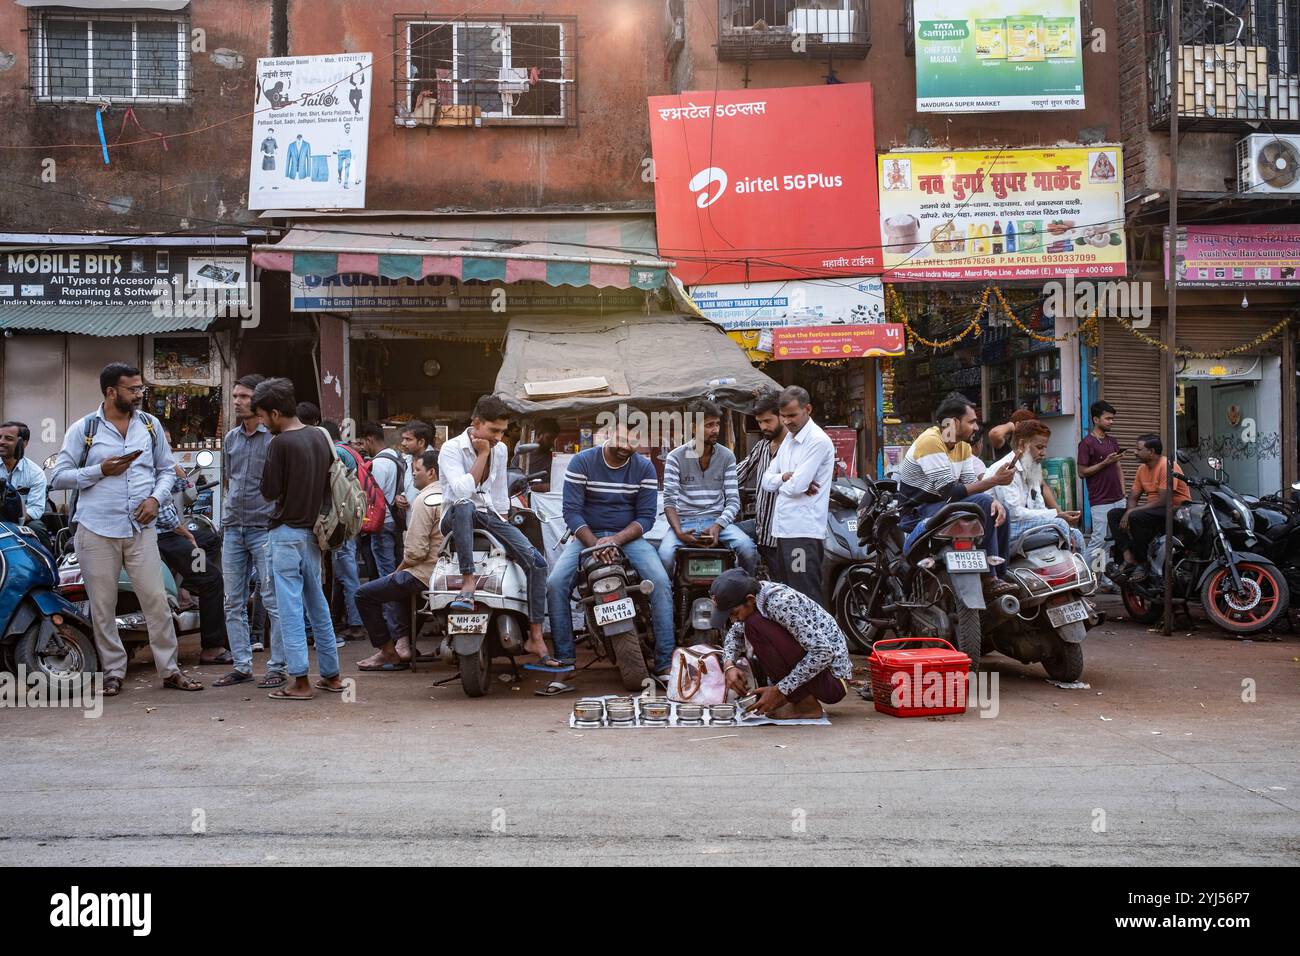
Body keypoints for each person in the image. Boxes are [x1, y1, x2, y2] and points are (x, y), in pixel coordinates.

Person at [49, 363, 202, 696]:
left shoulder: (149, 425)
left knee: (157, 602)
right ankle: (114, 671)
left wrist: (156, 500)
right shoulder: (84, 429)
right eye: (133, 389)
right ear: (110, 392)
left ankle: (170, 670)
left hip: (140, 528)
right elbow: (58, 476)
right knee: (103, 606)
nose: (139, 395)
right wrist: (98, 471)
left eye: (141, 388)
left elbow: (167, 471)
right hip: (96, 529)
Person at [546, 420, 674, 680]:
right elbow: (571, 512)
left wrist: (615, 540)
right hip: (586, 537)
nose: (627, 447)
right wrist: (596, 543)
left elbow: (647, 517)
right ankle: (566, 660)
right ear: (606, 435)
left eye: (633, 442)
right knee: (555, 583)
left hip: (628, 538)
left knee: (660, 582)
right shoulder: (582, 462)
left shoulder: (644, 467)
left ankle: (664, 663)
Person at [438, 395, 550, 664]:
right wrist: (483, 454)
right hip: (455, 517)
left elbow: (498, 496)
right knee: (466, 506)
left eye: (502, 431)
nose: (499, 437)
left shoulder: (500, 450)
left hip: (486, 516)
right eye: (494, 430)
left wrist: (505, 529)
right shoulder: (451, 449)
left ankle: (535, 636)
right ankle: (468, 584)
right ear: (476, 423)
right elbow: (463, 492)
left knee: (537, 563)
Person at [253, 377, 342, 700]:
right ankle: (332, 675)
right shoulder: (320, 437)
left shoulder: (280, 444)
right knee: (317, 604)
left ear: (275, 413)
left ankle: (300, 680)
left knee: (289, 608)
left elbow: (269, 491)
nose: (262, 423)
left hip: (285, 532)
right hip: (313, 533)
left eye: (263, 416)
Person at [896, 395, 1018, 596]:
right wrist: (994, 481)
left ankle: (1000, 576)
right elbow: (950, 492)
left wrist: (994, 500)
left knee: (997, 510)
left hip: (944, 506)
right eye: (971, 422)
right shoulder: (931, 442)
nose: (977, 427)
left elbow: (971, 485)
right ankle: (990, 578)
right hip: (918, 512)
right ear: (953, 423)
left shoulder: (962, 446)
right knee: (986, 504)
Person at [213, 374, 288, 688]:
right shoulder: (231, 438)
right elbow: (230, 480)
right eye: (235, 396)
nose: (237, 402)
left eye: (243, 396)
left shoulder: (274, 438)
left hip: (265, 528)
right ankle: (242, 664)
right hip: (233, 528)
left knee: (272, 600)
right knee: (232, 600)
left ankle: (278, 666)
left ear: (258, 401)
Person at [712, 569, 851, 719]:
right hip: (819, 676)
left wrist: (780, 690)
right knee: (750, 624)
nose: (733, 620)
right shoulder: (757, 600)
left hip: (833, 681)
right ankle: (797, 698)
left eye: (734, 613)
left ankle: (805, 704)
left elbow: (822, 653)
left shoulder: (778, 602)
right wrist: (729, 666)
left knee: (753, 625)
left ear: (750, 599)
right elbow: (735, 633)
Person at [357, 449, 442, 671]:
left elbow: (415, 553)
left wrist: (398, 570)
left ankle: (387, 652)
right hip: (443, 573)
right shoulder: (451, 496)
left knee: (364, 594)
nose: (413, 475)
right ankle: (404, 645)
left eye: (417, 470)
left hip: (425, 574)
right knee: (396, 589)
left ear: (431, 472)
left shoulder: (425, 500)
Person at [659, 400, 757, 576]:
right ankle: (671, 600)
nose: (716, 430)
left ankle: (744, 593)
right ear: (693, 428)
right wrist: (679, 532)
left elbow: (733, 501)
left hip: (717, 521)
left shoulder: (727, 456)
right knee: (665, 556)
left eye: (717, 424)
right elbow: (669, 502)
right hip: (684, 522)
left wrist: (718, 525)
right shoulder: (676, 457)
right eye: (709, 425)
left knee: (747, 549)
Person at [154, 448, 231, 666]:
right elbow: (164, 517)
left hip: (170, 533)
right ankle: (212, 647)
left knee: (210, 539)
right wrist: (186, 534)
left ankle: (186, 585)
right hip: (165, 537)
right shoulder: (148, 466)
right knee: (212, 579)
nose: (167, 449)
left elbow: (185, 487)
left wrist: (175, 468)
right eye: (164, 444)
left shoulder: (162, 466)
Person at [760, 386, 836, 606]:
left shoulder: (817, 441)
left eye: (792, 415)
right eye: (783, 416)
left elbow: (797, 487)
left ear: (808, 409)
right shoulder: (789, 441)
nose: (786, 421)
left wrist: (789, 483)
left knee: (805, 596)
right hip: (784, 531)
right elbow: (766, 480)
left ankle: (815, 641)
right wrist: (785, 478)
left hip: (803, 533)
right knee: (789, 595)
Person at [985, 419, 1085, 552]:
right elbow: (1013, 513)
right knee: (1059, 524)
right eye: (1039, 447)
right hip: (1002, 528)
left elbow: (1039, 506)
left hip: (1022, 525)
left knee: (1075, 533)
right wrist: (1055, 515)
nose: (1044, 453)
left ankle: (1076, 571)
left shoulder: (1031, 468)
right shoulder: (1005, 469)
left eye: (1045, 447)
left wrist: (1055, 515)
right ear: (1022, 444)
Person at [1108, 433, 1191, 584]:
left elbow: (1163, 501)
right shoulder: (1142, 469)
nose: (1135, 452)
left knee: (1136, 517)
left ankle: (1143, 562)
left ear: (1151, 452)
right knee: (1114, 514)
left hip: (1174, 510)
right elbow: (1133, 497)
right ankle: (1128, 556)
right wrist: (1127, 512)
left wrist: (1132, 512)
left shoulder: (1167, 466)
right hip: (1153, 510)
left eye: (1138, 449)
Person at [359, 422, 409, 656]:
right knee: (397, 577)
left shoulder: (378, 464)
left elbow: (370, 498)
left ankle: (397, 636)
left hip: (381, 525)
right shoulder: (400, 460)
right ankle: (402, 635)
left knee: (386, 580)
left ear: (370, 440)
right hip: (397, 525)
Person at [322, 420, 366, 641]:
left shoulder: (336, 452)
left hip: (342, 521)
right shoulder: (350, 450)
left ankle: (356, 623)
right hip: (352, 518)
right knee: (343, 574)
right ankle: (343, 618)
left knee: (347, 574)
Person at [734, 389, 785, 573]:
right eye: (760, 422)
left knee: (785, 587)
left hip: (781, 536)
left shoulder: (794, 447)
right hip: (759, 527)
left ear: (782, 416)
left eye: (767, 421)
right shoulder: (763, 445)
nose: (763, 427)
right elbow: (740, 472)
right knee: (724, 535)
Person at [1078, 400, 1126, 592]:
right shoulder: (1086, 443)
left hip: (1118, 498)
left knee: (1111, 541)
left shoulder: (1112, 441)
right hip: (1099, 499)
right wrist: (1105, 463)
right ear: (1096, 419)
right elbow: (1082, 472)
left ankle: (1102, 579)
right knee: (1098, 540)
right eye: (1107, 418)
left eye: (1112, 419)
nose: (1111, 422)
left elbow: (1118, 467)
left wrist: (1123, 491)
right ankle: (1080, 575)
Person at [0, 420, 50, 549]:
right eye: (0, 437)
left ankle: (46, 565)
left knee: (37, 528)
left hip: (21, 521)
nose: (1, 441)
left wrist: (14, 517)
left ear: (24, 443)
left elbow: (36, 508)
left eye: (8, 438)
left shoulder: (36, 473)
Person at [395, 419, 433, 517]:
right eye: (403, 439)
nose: (403, 443)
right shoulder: (407, 460)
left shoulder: (434, 462)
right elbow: (413, 489)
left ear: (421, 442)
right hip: (411, 524)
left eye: (408, 439)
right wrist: (402, 496)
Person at [524, 418, 560, 492]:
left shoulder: (553, 459)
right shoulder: (522, 457)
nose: (552, 443)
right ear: (538, 435)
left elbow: (556, 485)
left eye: (553, 439)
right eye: (549, 438)